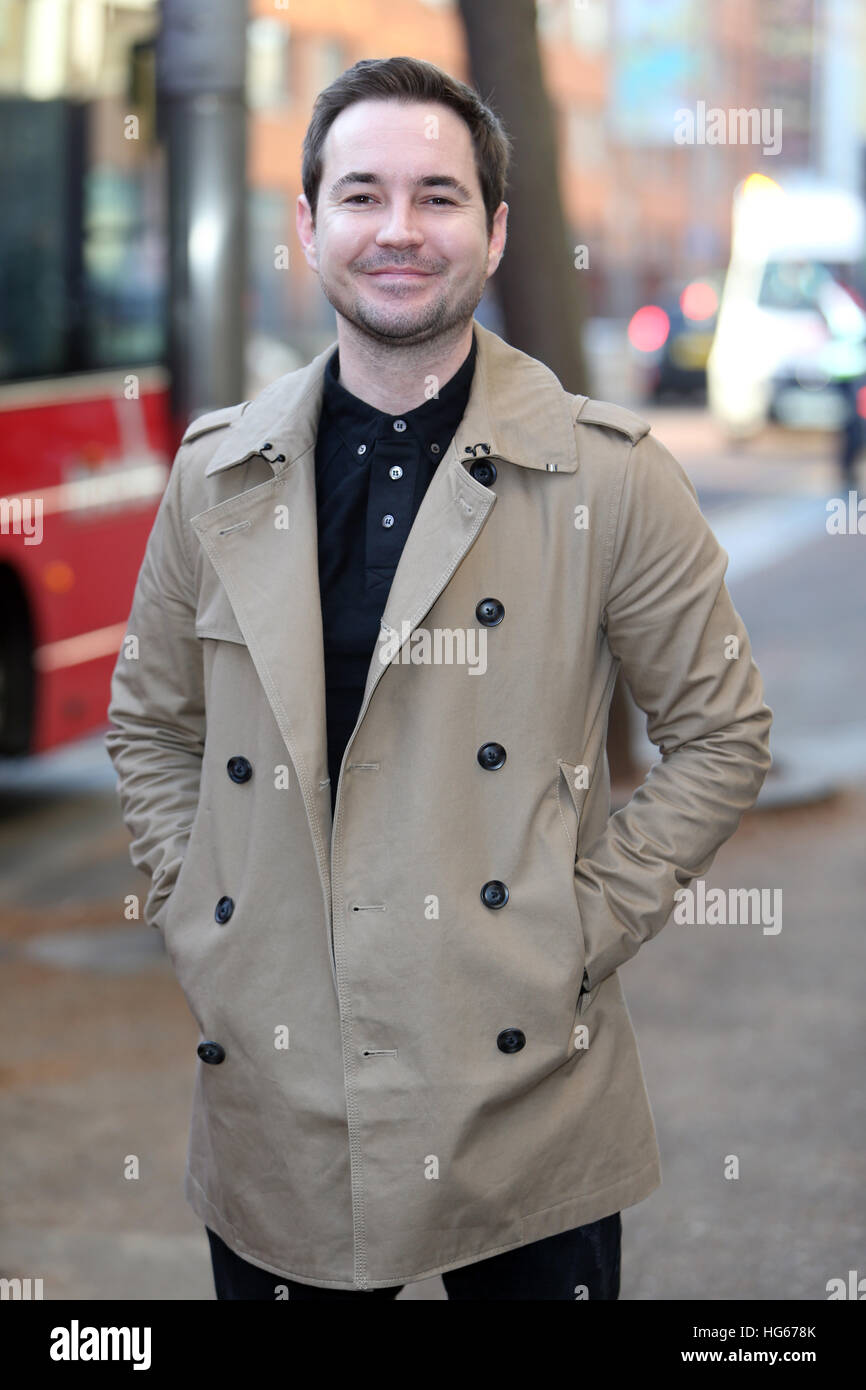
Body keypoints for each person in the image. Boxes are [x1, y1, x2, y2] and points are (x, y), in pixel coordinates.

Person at [105, 56, 773, 1301]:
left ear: (495, 227)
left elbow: (721, 730)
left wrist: (576, 931)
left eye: (437, 196)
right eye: (360, 194)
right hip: (279, 1090)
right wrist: (206, 910)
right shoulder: (214, 479)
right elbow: (151, 724)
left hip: (522, 1091)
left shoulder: (610, 477)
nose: (398, 230)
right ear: (306, 225)